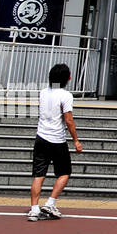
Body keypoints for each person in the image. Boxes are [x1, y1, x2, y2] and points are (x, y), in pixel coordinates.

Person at [28, 64, 82, 221]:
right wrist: (76, 141)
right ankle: (50, 203)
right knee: (64, 172)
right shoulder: (66, 96)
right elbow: (68, 120)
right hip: (57, 140)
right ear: (68, 79)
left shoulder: (43, 93)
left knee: (39, 175)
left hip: (41, 137)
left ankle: (34, 209)